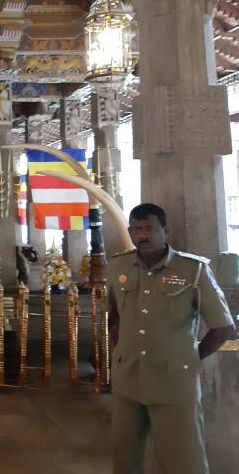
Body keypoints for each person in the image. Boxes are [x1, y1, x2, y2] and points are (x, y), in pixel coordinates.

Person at [106, 203, 236, 474]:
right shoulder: (118, 266)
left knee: (185, 461)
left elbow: (223, 327)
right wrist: (119, 351)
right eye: (136, 229)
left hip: (174, 384)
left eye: (150, 228)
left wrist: (189, 357)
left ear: (165, 230)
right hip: (127, 380)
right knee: (124, 459)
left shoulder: (194, 270)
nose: (143, 235)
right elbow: (114, 316)